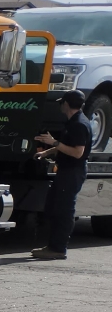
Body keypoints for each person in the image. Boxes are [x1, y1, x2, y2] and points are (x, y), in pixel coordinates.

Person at [30, 89, 92, 260]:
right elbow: (65, 145)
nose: (61, 106)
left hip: (72, 172)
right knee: (53, 208)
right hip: (66, 171)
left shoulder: (79, 124)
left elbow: (77, 152)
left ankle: (58, 249)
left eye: (61, 103)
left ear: (66, 104)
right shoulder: (73, 122)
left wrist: (54, 142)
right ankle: (52, 245)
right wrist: (46, 152)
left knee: (64, 211)